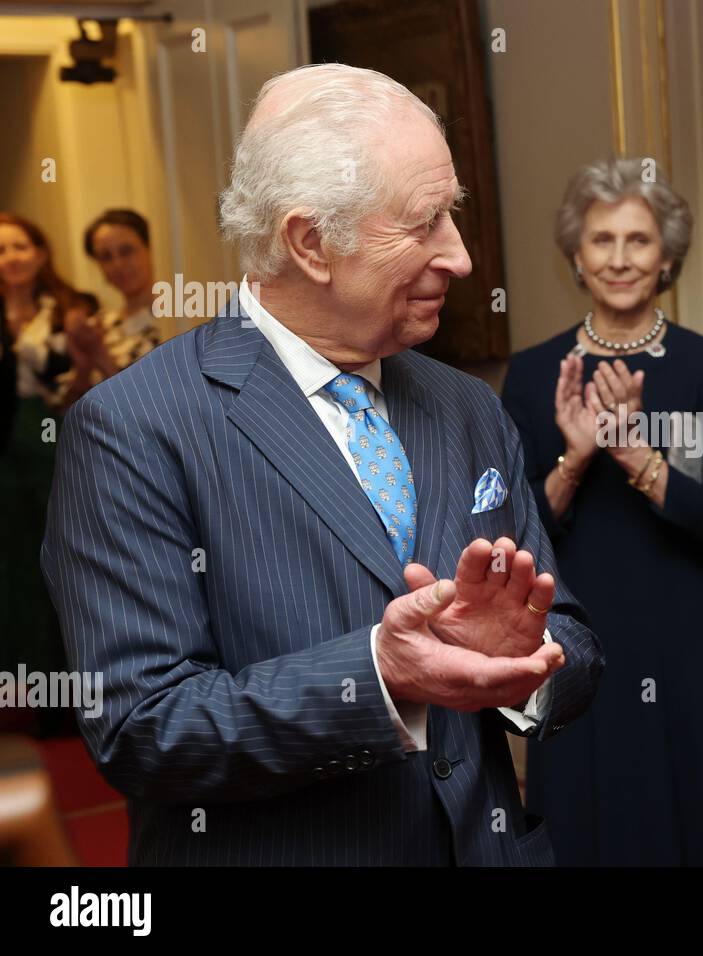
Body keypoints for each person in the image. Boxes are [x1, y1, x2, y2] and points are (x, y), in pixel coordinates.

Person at [41, 63, 603, 866]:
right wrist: (375, 676)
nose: (462, 256)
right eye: (425, 223)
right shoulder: (133, 429)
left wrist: (521, 665)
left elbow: (571, 641)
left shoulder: (468, 405)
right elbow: (142, 728)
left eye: (455, 215)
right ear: (309, 243)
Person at [501, 158, 703, 865]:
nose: (620, 259)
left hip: (690, 638)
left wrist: (635, 456)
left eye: (639, 241)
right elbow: (513, 534)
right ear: (577, 256)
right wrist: (576, 457)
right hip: (579, 639)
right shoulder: (534, 373)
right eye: (602, 241)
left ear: (667, 257)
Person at [0, 213, 96, 686]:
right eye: (1, 250)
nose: (10, 258)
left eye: (19, 247)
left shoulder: (72, 307)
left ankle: (63, 673)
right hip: (6, 445)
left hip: (56, 436)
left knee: (56, 552)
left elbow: (85, 382)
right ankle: (18, 677)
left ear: (39, 253)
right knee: (11, 554)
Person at [78, 209, 168, 383]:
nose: (118, 264)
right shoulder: (101, 327)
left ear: (150, 248)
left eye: (126, 251)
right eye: (105, 256)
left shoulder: (179, 317)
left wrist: (101, 357)